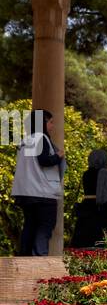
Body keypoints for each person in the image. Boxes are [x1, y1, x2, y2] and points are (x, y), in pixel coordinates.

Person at [11, 109, 65, 256]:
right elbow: (45, 161)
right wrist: (59, 156)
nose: (52, 126)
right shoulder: (42, 138)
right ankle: (39, 259)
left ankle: (25, 258)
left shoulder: (25, 141)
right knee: (44, 226)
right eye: (50, 122)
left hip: (25, 193)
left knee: (30, 225)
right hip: (42, 193)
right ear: (42, 123)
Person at [71, 150, 107, 249]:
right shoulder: (103, 172)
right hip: (99, 208)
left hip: (86, 206)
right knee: (99, 236)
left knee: (84, 234)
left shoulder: (86, 174)